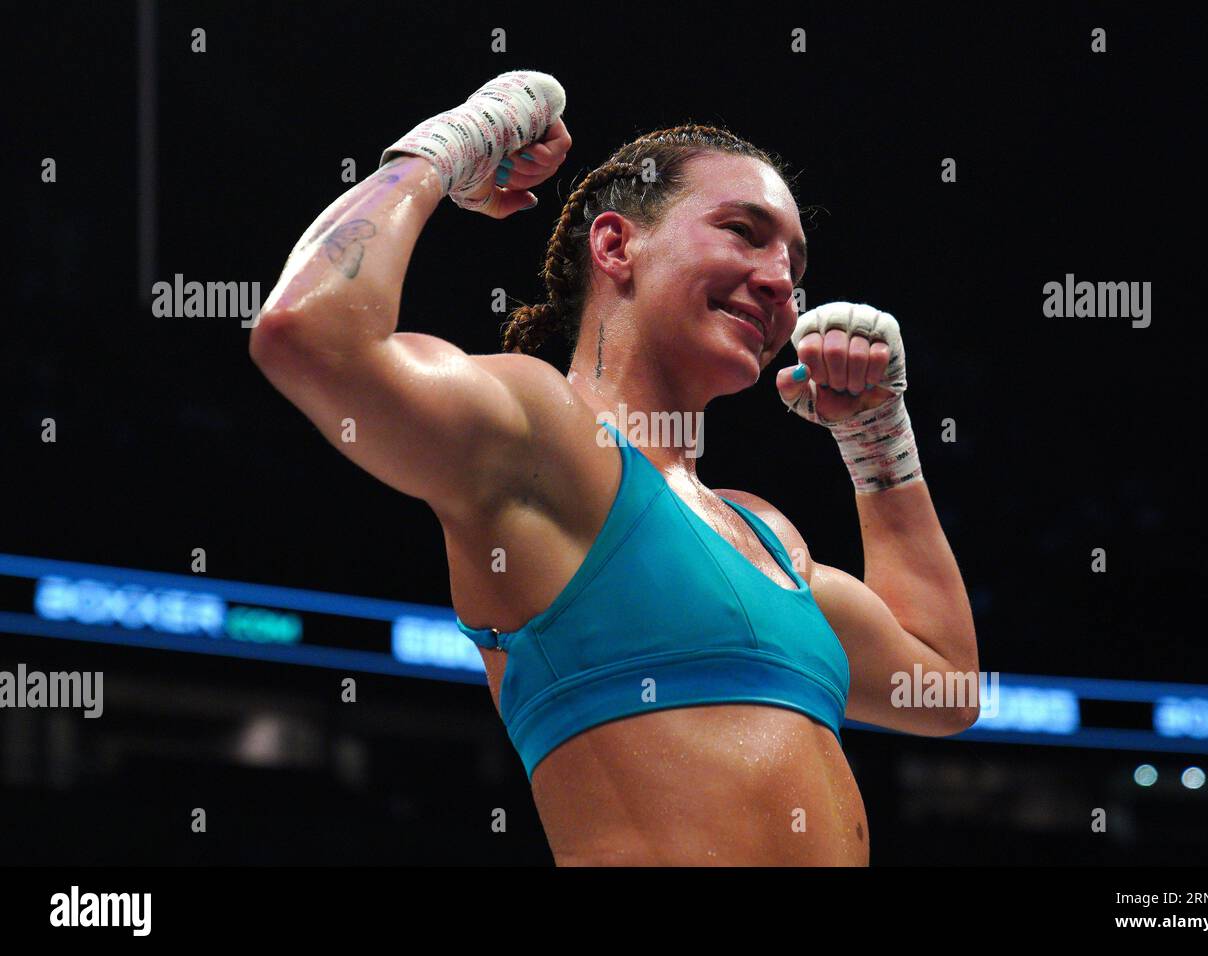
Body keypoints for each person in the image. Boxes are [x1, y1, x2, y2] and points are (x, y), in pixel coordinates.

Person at [251, 71, 979, 866]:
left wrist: (879, 436)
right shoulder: (544, 438)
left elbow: (944, 688)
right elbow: (307, 335)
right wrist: (448, 144)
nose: (781, 281)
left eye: (794, 264)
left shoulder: (770, 537)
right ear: (615, 245)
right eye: (743, 230)